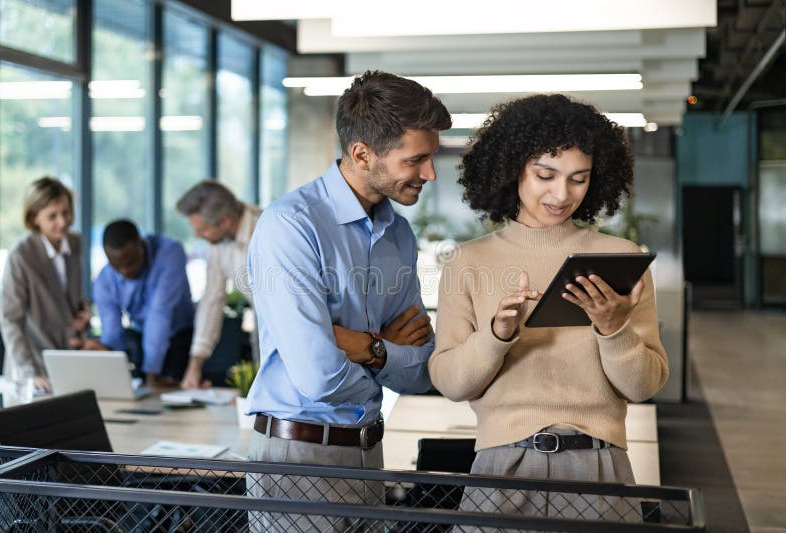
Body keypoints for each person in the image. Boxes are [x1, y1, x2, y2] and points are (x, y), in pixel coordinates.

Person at [429, 94, 669, 519]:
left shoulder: (620, 258)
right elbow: (451, 384)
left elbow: (644, 386)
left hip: (600, 467)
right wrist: (497, 335)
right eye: (545, 175)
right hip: (501, 468)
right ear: (512, 169)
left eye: (579, 179)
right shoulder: (469, 262)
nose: (562, 194)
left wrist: (614, 329)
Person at [245, 70, 451, 525]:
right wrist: (386, 352)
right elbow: (318, 377)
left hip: (369, 455)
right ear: (362, 153)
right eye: (416, 160)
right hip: (297, 461)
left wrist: (365, 346)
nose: (430, 174)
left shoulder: (398, 234)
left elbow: (421, 372)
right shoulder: (291, 227)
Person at [0, 177, 90, 392]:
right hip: (34, 367)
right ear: (34, 218)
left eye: (66, 212)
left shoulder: (75, 243)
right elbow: (11, 319)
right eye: (52, 216)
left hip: (66, 360)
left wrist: (84, 311)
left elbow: (69, 295)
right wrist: (30, 372)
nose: (63, 221)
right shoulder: (21, 255)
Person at [175, 180, 262, 389]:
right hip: (263, 326)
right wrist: (195, 366)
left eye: (202, 229)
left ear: (224, 222)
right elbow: (212, 300)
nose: (197, 235)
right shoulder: (217, 242)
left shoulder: (268, 229)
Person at [90, 219, 194, 386]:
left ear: (142, 244)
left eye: (131, 262)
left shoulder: (170, 253)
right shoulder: (104, 281)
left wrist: (152, 373)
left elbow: (159, 314)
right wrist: (108, 356)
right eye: (117, 266)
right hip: (141, 337)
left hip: (180, 337)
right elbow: (112, 331)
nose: (125, 271)